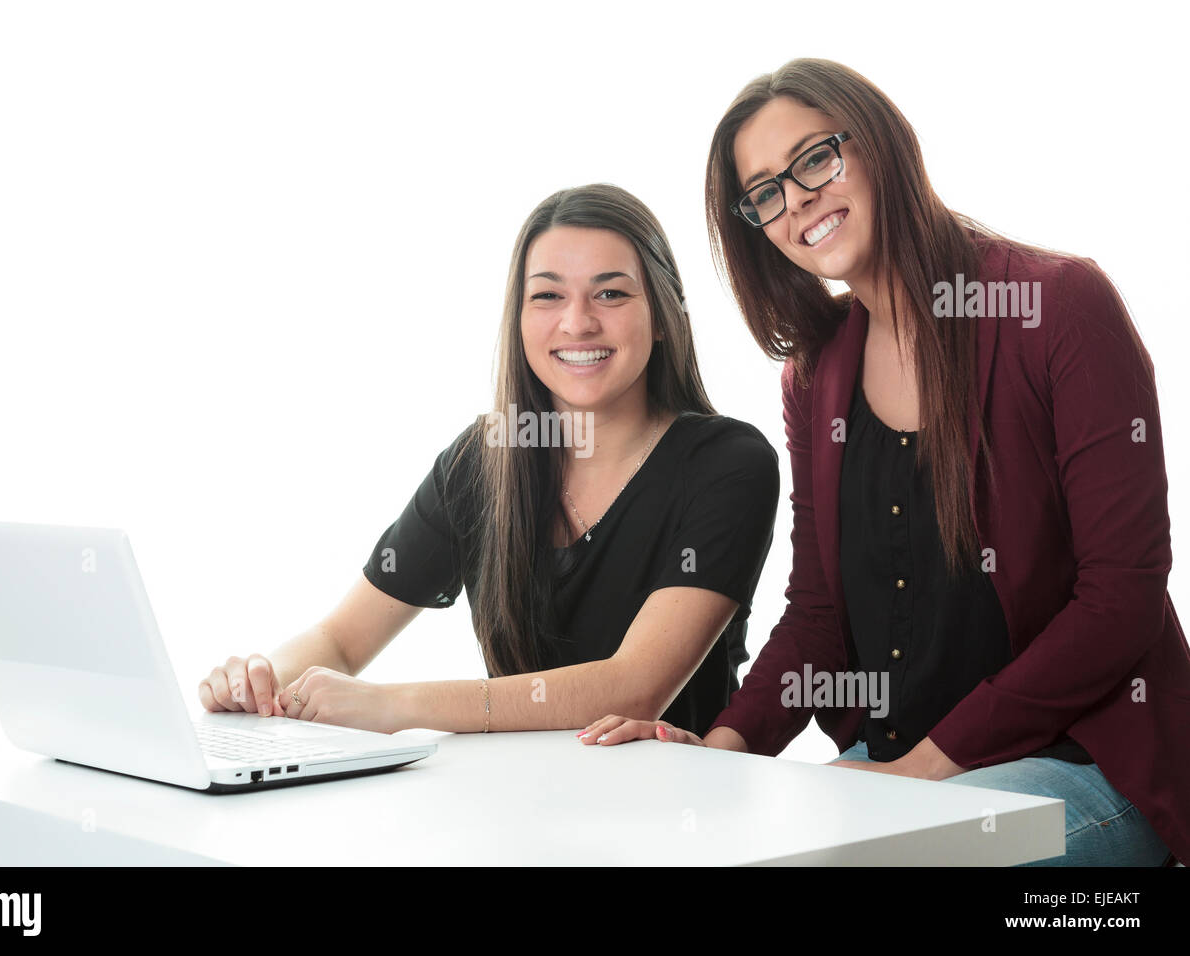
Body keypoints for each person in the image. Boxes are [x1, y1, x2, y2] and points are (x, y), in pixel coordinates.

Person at [579, 59, 1189, 867]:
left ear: (880, 144)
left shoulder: (1060, 306)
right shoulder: (816, 372)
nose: (796, 200)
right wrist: (721, 745)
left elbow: (1123, 598)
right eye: (766, 192)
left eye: (814, 159)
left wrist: (922, 772)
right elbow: (820, 612)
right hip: (900, 771)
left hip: (1090, 766)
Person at [198, 183, 780, 739]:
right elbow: (342, 642)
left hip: (682, 810)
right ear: (519, 320)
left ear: (661, 317)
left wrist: (392, 705)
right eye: (547, 295)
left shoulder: (728, 465)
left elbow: (632, 688)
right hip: (513, 808)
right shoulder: (484, 460)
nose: (577, 322)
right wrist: (260, 679)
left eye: (611, 293)